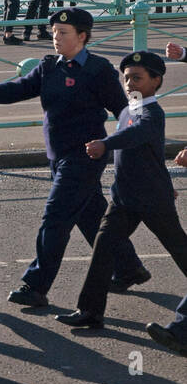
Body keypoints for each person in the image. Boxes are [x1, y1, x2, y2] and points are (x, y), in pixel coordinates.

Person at [0, 8, 148, 310]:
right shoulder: (50, 67)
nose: (56, 38)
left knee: (56, 217)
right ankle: (128, 267)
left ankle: (35, 285)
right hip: (58, 156)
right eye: (53, 33)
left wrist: (131, 146)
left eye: (63, 33)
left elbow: (124, 110)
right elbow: (18, 89)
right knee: (91, 218)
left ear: (83, 36)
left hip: (85, 156)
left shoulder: (98, 70)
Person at [56, 52, 186, 329]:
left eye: (137, 78)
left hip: (152, 201)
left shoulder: (152, 113)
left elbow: (137, 135)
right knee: (103, 250)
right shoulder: (129, 109)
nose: (129, 83)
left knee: (181, 251)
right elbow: (152, 156)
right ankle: (89, 312)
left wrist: (105, 143)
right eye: (126, 78)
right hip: (123, 199)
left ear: (156, 81)